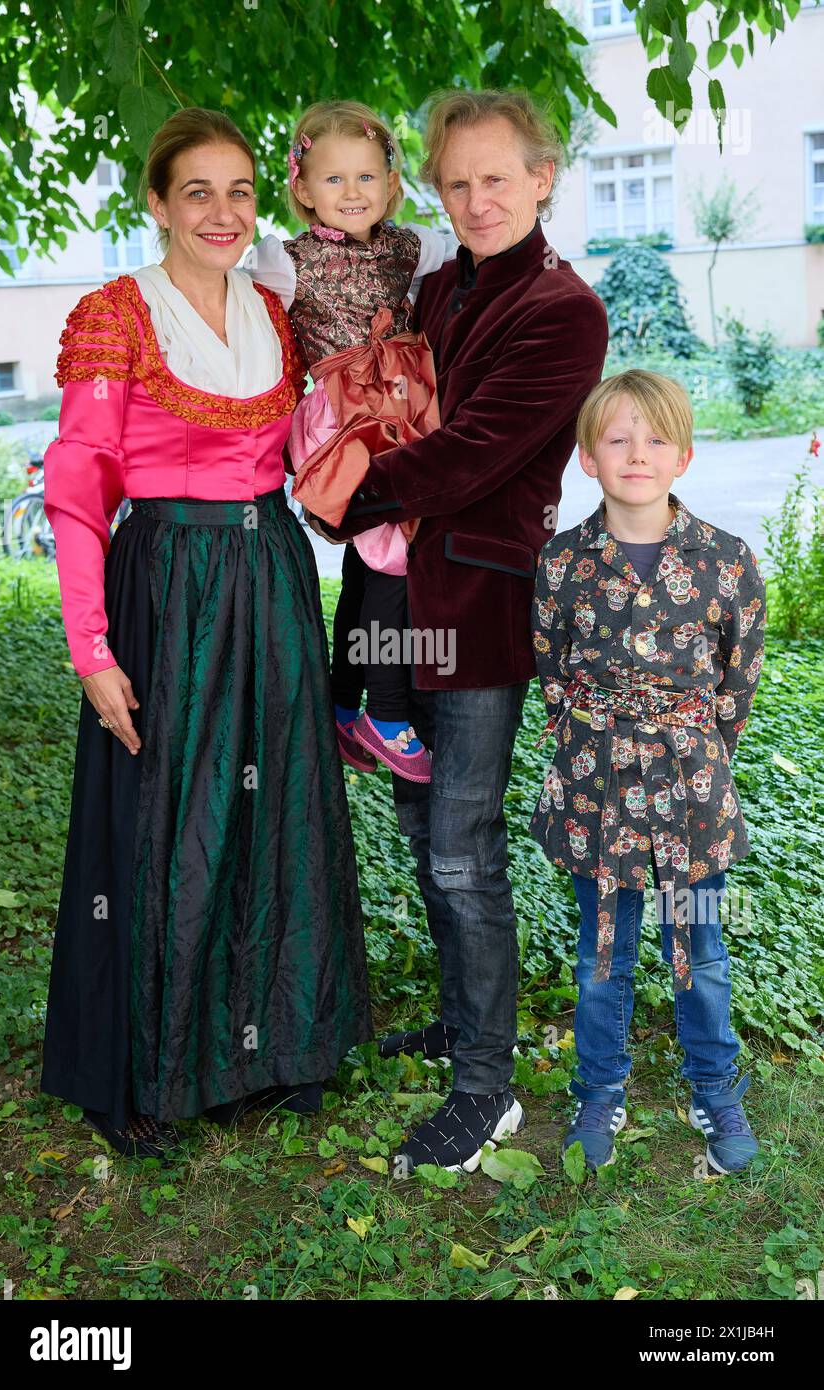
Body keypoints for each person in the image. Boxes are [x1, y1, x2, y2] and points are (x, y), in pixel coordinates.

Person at [39, 107, 373, 1161]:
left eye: (240, 191)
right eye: (198, 192)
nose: (223, 213)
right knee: (163, 815)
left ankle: (258, 1052)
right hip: (165, 586)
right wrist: (92, 648)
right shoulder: (114, 316)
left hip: (270, 578)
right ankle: (143, 1067)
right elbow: (78, 493)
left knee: (270, 809)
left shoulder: (275, 310)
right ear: (157, 203)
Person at [318, 89, 610, 1176]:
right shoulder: (439, 288)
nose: (477, 199)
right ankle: (459, 1019)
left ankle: (485, 1087)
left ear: (542, 178)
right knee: (414, 813)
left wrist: (341, 492)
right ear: (435, 191)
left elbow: (473, 451)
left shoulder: (564, 309)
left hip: (477, 614)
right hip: (396, 604)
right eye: (456, 182)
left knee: (461, 846)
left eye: (496, 177)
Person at [530, 368, 766, 1175]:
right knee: (602, 955)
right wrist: (596, 735)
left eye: (656, 439)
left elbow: (738, 681)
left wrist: (693, 752)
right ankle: (599, 1088)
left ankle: (714, 1086)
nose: (638, 453)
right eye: (618, 439)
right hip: (596, 786)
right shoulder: (563, 561)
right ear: (588, 457)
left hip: (690, 793)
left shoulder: (725, 561)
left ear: (684, 457)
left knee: (700, 951)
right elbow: (552, 669)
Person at [245, 99, 458, 783]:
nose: (353, 192)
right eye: (334, 179)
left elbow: (472, 255)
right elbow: (239, 316)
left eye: (367, 176)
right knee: (395, 559)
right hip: (346, 417)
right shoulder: (284, 261)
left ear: (391, 183)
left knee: (371, 564)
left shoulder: (415, 246)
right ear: (303, 188)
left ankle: (341, 704)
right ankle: (388, 714)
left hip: (405, 407)